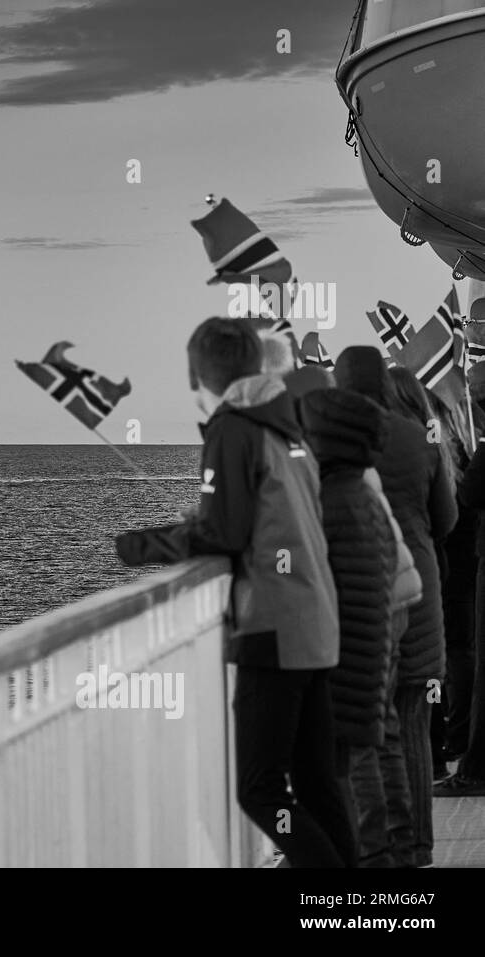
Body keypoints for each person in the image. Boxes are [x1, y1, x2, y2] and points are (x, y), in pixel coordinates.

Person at [115, 318, 351, 866]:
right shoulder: (281, 424)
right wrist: (211, 514)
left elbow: (226, 533)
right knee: (318, 787)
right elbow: (263, 515)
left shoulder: (231, 428)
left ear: (196, 374)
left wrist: (141, 544)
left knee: (260, 788)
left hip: (274, 624)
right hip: (316, 618)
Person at [335, 351, 456, 867]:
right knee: (413, 720)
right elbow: (446, 517)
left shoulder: (337, 438)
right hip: (421, 587)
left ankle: (373, 845)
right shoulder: (418, 437)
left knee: (365, 729)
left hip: (362, 595)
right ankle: (418, 848)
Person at [296, 383, 398, 864]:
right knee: (352, 772)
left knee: (338, 783)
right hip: (362, 662)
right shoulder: (359, 493)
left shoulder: (332, 502)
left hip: (338, 668)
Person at [440, 363, 485, 795]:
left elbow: (467, 496)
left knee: (461, 648)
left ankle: (462, 748)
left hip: (459, 555)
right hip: (465, 554)